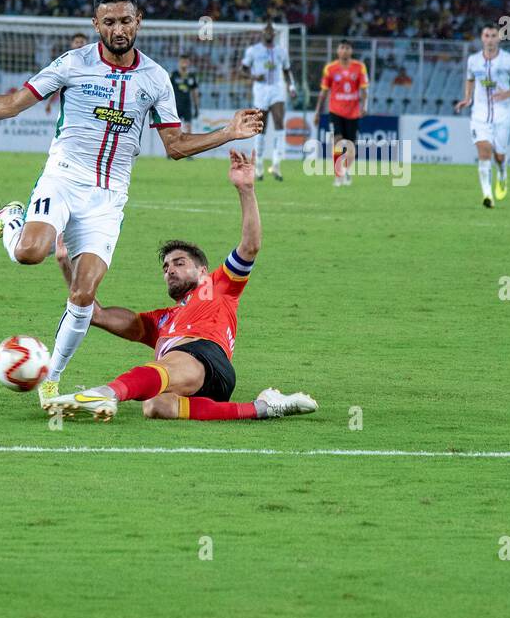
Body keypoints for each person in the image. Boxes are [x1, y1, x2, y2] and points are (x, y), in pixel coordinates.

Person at [0, 0, 264, 408]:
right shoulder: (72, 64)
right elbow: (13, 103)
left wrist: (228, 132)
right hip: (64, 176)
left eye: (126, 20)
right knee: (30, 253)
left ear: (139, 22)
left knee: (83, 295)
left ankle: (51, 380)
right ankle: (11, 219)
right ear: (96, 23)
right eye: (110, 21)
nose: (119, 29)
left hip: (109, 198)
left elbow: (174, 146)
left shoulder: (155, 78)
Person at [45, 149, 317, 422]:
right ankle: (264, 407)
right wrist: (66, 264)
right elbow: (94, 314)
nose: (170, 270)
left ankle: (105, 392)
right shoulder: (161, 319)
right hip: (205, 382)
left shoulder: (216, 285)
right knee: (156, 406)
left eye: (179, 263)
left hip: (203, 355)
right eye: (165, 267)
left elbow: (250, 246)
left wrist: (246, 189)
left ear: (201, 270)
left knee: (164, 367)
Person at [454, 27, 510, 208]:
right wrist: (467, 98)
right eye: (487, 36)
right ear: (482, 38)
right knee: (484, 151)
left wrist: (508, 93)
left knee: (499, 156)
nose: (490, 40)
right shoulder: (473, 60)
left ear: (499, 39)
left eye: (494, 36)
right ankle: (487, 195)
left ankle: (502, 173)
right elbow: (470, 79)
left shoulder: (508, 60)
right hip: (479, 115)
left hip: (503, 115)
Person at [240, 21, 296, 180]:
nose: (269, 33)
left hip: (277, 88)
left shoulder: (281, 51)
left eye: (272, 31)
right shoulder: (253, 51)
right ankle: (258, 165)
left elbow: (287, 70)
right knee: (260, 127)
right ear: (262, 33)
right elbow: (242, 69)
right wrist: (253, 77)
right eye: (267, 31)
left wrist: (292, 87)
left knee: (279, 121)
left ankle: (276, 164)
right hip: (260, 89)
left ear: (274, 34)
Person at [313, 39, 369, 187]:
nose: (344, 50)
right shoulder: (330, 68)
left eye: (347, 48)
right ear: (338, 50)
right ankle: (338, 176)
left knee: (350, 147)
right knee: (337, 141)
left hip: (353, 112)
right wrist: (317, 112)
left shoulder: (359, 67)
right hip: (335, 111)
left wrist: (365, 106)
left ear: (351, 51)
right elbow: (323, 92)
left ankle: (346, 170)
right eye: (342, 48)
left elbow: (364, 90)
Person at [171, 55, 201, 134]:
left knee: (188, 129)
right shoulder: (174, 75)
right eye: (182, 61)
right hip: (176, 105)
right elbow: (167, 91)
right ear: (179, 63)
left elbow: (195, 93)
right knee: (174, 130)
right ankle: (176, 146)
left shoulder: (192, 76)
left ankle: (188, 146)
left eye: (186, 62)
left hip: (187, 106)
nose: (184, 63)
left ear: (189, 63)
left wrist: (196, 107)